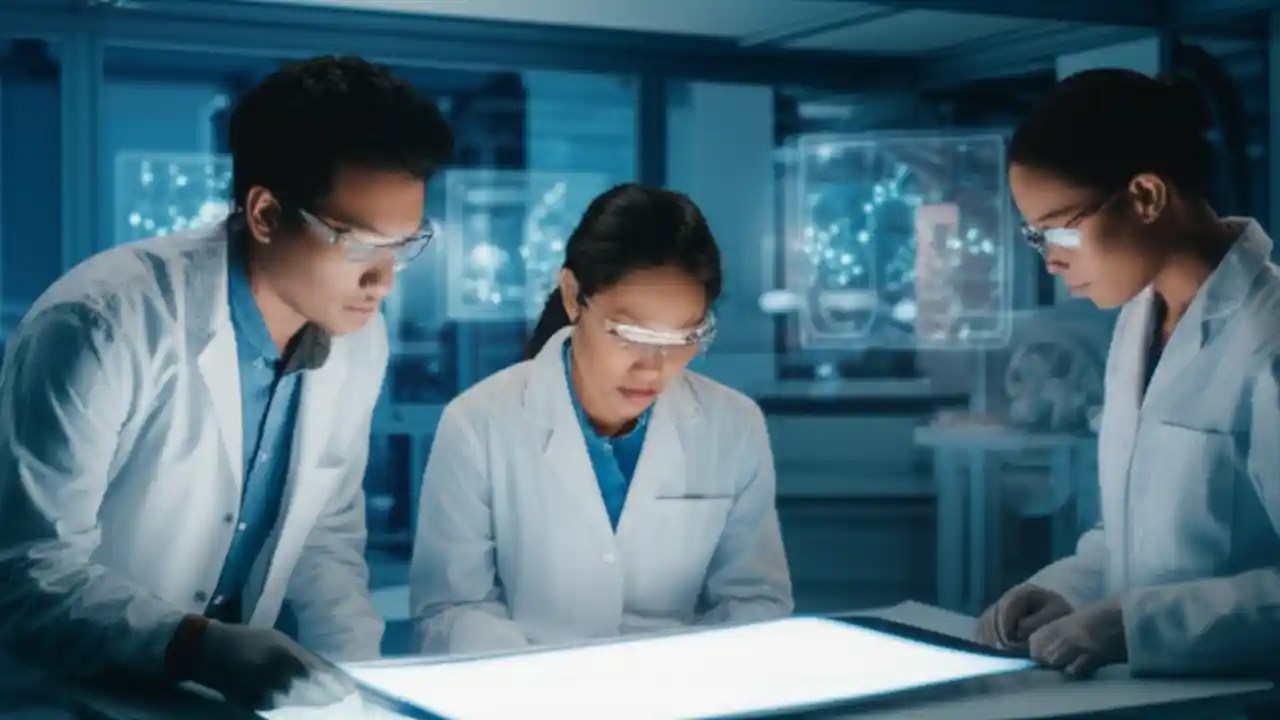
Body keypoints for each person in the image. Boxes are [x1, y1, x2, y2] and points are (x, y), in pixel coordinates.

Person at [0, 56, 451, 710]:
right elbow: (25, 576)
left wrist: (361, 694)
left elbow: (324, 542)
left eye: (404, 246)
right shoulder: (101, 324)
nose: (383, 281)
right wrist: (198, 645)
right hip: (63, 698)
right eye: (357, 245)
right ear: (266, 213)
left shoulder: (358, 337)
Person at [975, 69, 1280, 679]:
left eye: (1060, 229)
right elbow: (1137, 538)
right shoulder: (1138, 322)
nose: (1053, 261)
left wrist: (1137, 626)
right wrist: (1066, 590)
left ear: (1146, 196)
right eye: (1036, 238)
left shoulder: (1266, 340)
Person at [410, 184, 793, 655]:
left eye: (684, 337)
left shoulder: (733, 425)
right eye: (630, 334)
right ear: (573, 296)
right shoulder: (478, 423)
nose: (654, 366)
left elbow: (755, 601)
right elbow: (452, 609)